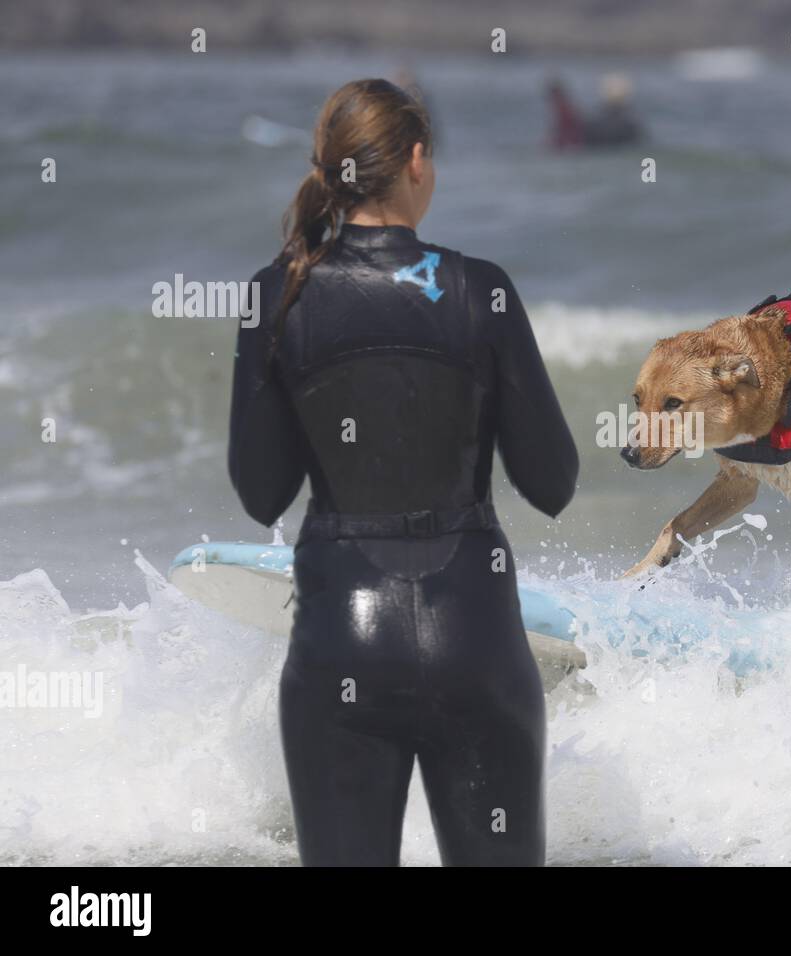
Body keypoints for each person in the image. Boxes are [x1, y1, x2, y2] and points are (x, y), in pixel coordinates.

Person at [227, 78, 579, 865]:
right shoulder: (480, 291)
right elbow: (552, 482)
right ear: (417, 161)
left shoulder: (272, 298)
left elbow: (261, 493)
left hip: (340, 647)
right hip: (475, 641)